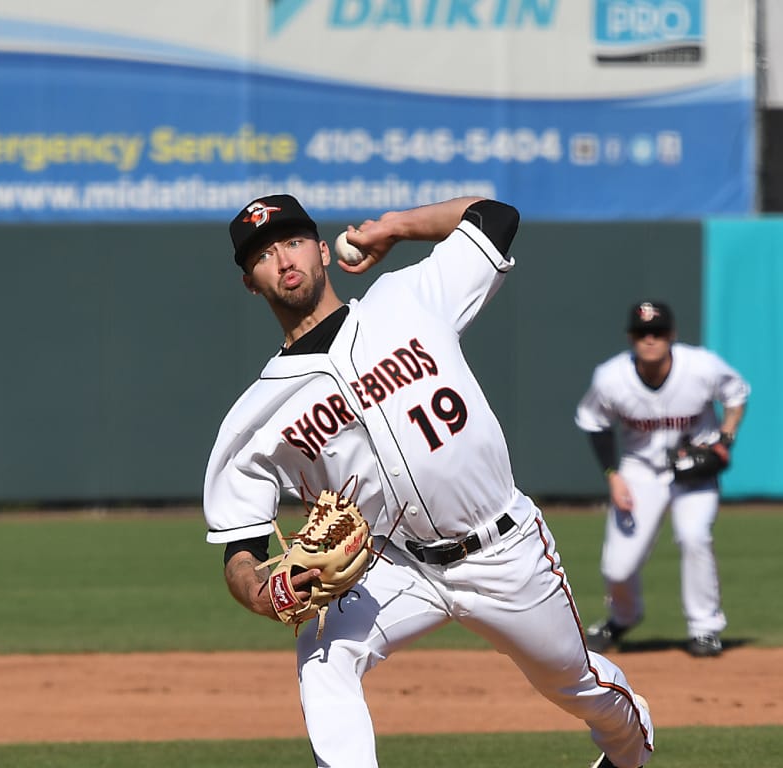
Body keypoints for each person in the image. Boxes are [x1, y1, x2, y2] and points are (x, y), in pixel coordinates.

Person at [202, 193, 654, 768]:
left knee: (575, 685)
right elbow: (241, 554)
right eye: (264, 254)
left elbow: (496, 216)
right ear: (250, 282)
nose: (284, 259)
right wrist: (267, 594)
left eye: (292, 241)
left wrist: (395, 227)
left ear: (321, 250)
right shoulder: (257, 417)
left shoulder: (407, 299)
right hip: (395, 567)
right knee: (322, 652)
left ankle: (628, 751)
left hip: (504, 550)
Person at [574, 300, 750, 658]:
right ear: (630, 338)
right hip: (640, 472)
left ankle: (705, 629)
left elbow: (737, 394)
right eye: (641, 333)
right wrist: (613, 476)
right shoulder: (611, 377)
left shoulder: (701, 366)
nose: (649, 339)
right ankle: (623, 617)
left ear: (671, 335)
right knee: (618, 566)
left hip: (694, 473)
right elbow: (594, 423)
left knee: (694, 536)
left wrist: (726, 435)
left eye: (657, 332)